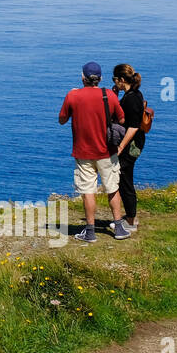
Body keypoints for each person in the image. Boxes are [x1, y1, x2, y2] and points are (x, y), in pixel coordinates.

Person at [59, 61, 132, 243]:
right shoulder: (108, 95)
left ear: (83, 77)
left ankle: (90, 232)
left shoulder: (73, 96)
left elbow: (61, 119)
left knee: (88, 191)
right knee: (113, 188)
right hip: (107, 151)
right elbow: (122, 119)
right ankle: (119, 228)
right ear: (100, 78)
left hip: (83, 152)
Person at [112, 63, 147, 233]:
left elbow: (133, 127)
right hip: (134, 143)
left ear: (121, 79)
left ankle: (131, 220)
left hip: (131, 144)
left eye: (115, 79)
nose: (114, 82)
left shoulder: (132, 98)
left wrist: (120, 147)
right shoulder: (132, 94)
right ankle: (129, 217)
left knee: (125, 180)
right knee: (124, 179)